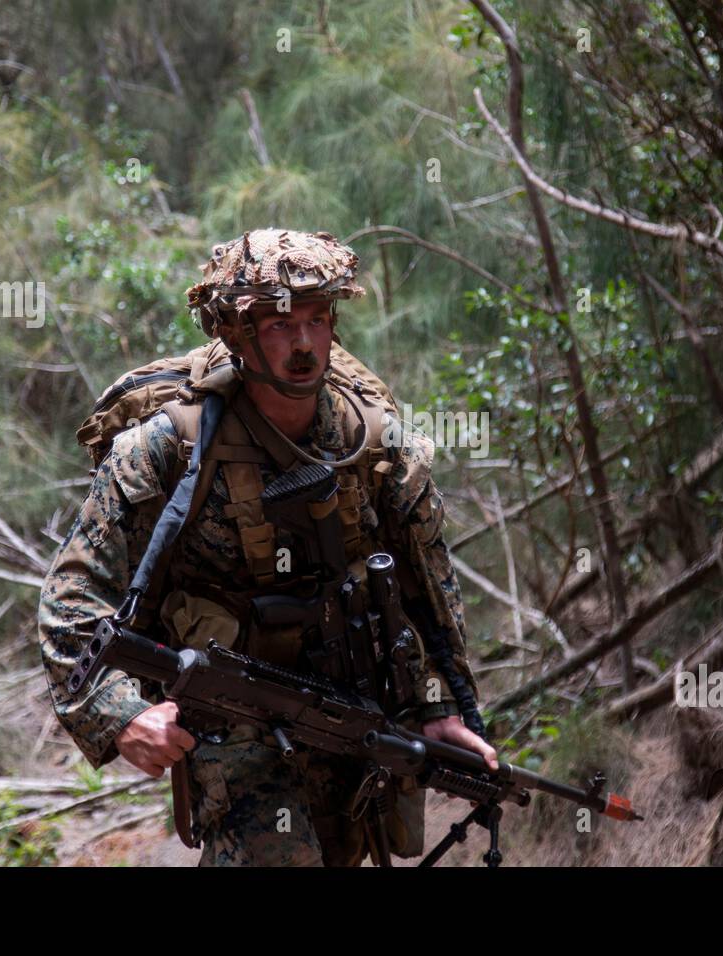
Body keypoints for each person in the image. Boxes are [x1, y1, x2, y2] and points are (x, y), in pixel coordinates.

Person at [38, 228, 496, 866]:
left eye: (317, 319)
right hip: (232, 716)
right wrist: (117, 714)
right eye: (279, 324)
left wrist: (444, 708)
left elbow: (431, 594)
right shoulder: (167, 449)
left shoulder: (379, 448)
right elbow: (71, 599)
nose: (304, 344)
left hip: (354, 703)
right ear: (235, 333)